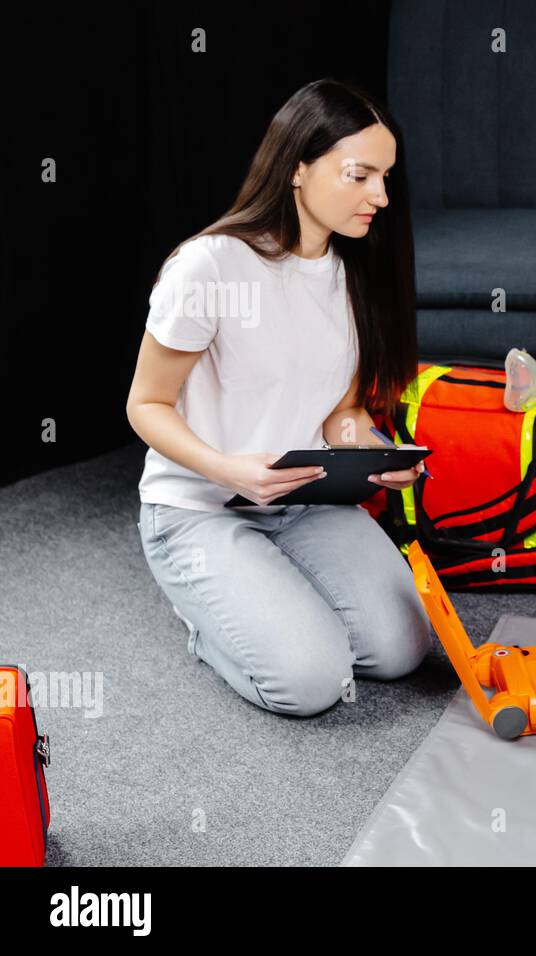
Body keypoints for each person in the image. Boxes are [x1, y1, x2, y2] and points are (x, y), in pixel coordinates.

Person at [125, 79, 432, 717]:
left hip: (304, 500)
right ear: (298, 168)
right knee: (311, 683)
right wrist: (229, 469)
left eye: (386, 177)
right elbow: (146, 405)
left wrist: (376, 452)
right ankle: (207, 620)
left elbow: (339, 415)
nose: (380, 195)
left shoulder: (352, 273)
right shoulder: (208, 266)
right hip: (198, 508)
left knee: (404, 650)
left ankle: (269, 595)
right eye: (360, 175)